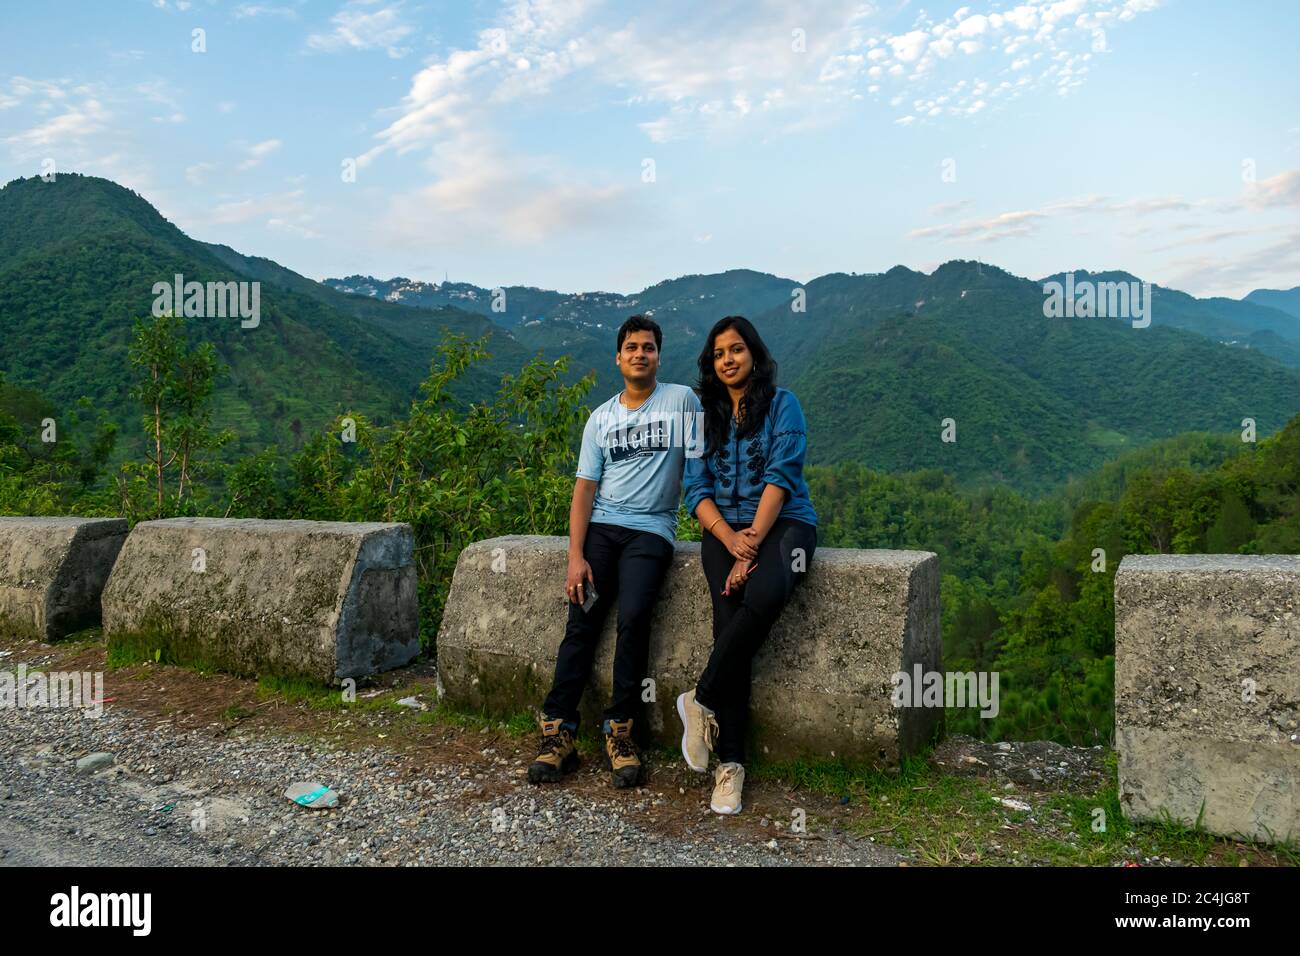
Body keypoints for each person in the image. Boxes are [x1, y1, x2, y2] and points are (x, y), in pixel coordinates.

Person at [528, 314, 703, 789]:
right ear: (618, 357)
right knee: (581, 618)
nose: (640, 354)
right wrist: (575, 555)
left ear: (658, 356)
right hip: (602, 528)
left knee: (635, 618)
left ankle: (620, 730)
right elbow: (584, 490)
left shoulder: (681, 400)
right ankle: (558, 730)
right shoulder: (600, 418)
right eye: (632, 347)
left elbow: (703, 466)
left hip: (652, 530)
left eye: (648, 347)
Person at [676, 315, 817, 814]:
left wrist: (752, 544)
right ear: (711, 364)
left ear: (754, 354)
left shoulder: (784, 406)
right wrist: (729, 540)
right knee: (727, 621)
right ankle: (730, 766)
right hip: (721, 529)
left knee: (764, 595)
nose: (728, 359)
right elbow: (696, 489)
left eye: (736, 349)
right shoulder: (702, 418)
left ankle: (701, 699)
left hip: (784, 524)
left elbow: (781, 476)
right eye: (718, 354)